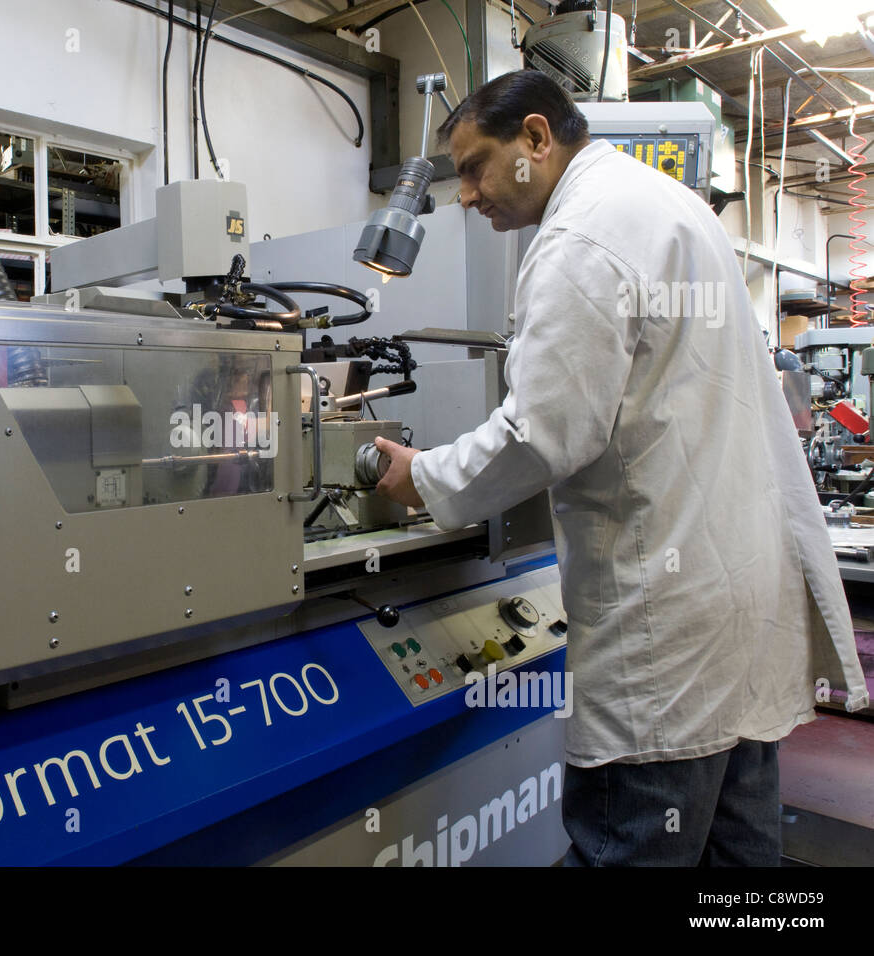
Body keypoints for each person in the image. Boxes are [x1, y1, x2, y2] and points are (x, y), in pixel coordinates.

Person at [372, 69, 869, 866]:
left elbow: (544, 433)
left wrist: (424, 478)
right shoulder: (672, 205)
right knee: (739, 859)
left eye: (474, 167)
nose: (465, 195)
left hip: (665, 631)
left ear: (536, 137)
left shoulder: (580, 238)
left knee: (632, 850)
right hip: (737, 611)